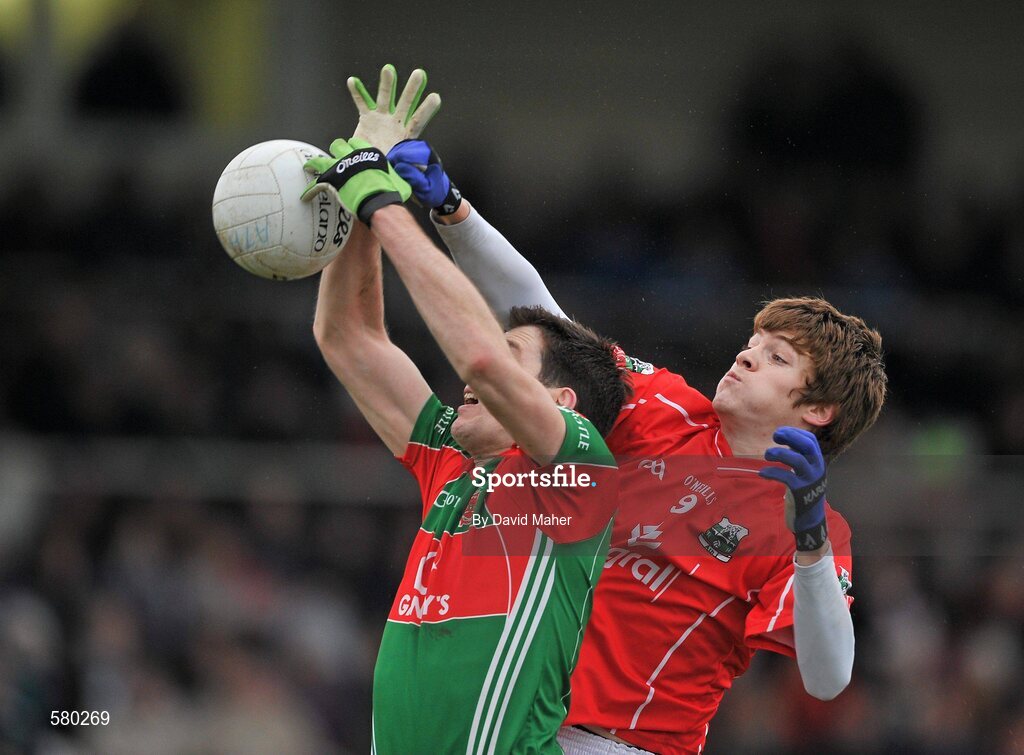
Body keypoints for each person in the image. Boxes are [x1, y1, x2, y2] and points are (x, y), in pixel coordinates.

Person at [381, 128, 887, 754]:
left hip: (619, 746)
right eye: (751, 345)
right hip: (512, 712)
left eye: (776, 359)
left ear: (818, 410)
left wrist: (807, 533)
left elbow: (829, 677)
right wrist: (453, 212)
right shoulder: (665, 405)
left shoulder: (811, 526)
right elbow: (548, 331)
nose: (746, 358)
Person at [301, 78, 631, 753]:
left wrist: (384, 202)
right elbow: (349, 339)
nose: (471, 379)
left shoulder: (578, 470)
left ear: (560, 402)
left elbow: (480, 358)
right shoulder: (450, 462)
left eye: (519, 359)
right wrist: (359, 199)